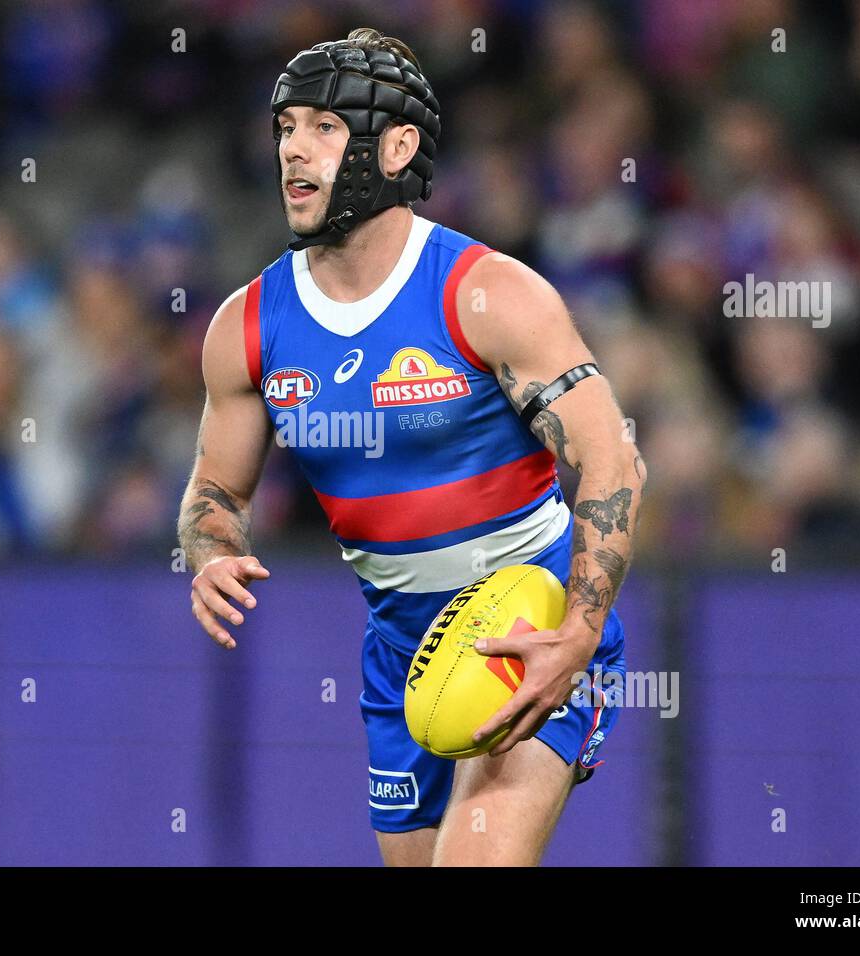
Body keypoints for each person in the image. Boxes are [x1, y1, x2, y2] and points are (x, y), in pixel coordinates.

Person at [177, 28, 647, 866]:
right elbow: (217, 490)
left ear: (396, 148)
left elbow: (614, 461)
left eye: (325, 126)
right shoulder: (245, 328)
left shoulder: (488, 295)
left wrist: (579, 631)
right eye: (286, 125)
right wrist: (210, 549)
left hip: (529, 621)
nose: (293, 148)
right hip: (402, 653)